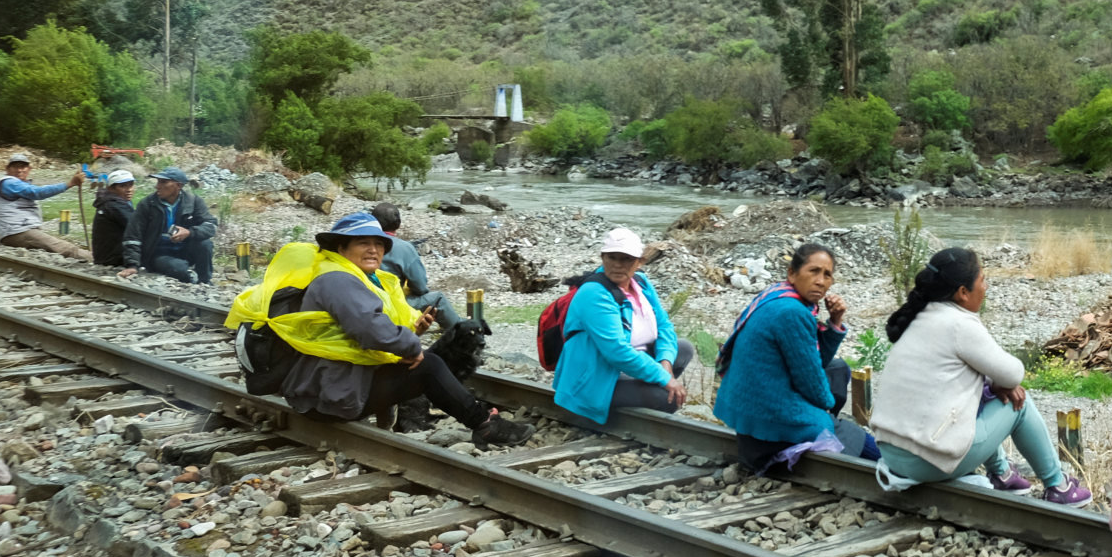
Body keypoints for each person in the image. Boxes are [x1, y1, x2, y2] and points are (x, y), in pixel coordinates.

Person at [225, 211, 530, 446]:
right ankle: (485, 425)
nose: (373, 250)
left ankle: (438, 418)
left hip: (326, 388)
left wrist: (412, 335)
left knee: (415, 359)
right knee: (429, 364)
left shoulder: (345, 276)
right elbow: (372, 331)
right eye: (363, 243)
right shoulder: (338, 280)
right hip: (327, 396)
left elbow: (362, 333)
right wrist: (411, 348)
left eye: (378, 244)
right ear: (341, 247)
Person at [870, 247, 1090, 504]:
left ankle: (1002, 474)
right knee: (1019, 402)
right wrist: (1001, 384)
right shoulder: (959, 324)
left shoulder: (918, 318)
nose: (986, 287)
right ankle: (1059, 486)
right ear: (963, 292)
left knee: (986, 392)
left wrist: (991, 385)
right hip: (927, 463)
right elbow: (1014, 373)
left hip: (891, 454)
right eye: (983, 280)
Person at [712, 242, 877, 474]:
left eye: (827, 275)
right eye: (814, 271)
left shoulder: (776, 295)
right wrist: (826, 414)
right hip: (766, 411)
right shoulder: (792, 312)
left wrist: (835, 323)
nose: (821, 281)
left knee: (838, 368)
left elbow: (815, 360)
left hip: (753, 402)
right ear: (792, 273)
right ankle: (807, 439)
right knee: (857, 439)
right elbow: (811, 382)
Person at [552, 227, 694, 426]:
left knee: (683, 348)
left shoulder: (641, 282)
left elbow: (663, 325)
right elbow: (617, 352)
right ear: (603, 258)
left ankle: (641, 392)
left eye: (626, 259)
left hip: (629, 365)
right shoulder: (594, 293)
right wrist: (665, 379)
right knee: (666, 400)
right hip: (598, 377)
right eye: (612, 257)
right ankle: (595, 408)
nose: (618, 265)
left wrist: (665, 365)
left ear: (639, 262)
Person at [370, 201, 467, 331]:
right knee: (438, 298)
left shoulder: (359, 244)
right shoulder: (404, 248)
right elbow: (420, 286)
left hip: (365, 301)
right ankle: (459, 330)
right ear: (398, 224)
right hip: (391, 305)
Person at [0, 154, 90, 262]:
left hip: (16, 233)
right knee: (64, 247)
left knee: (54, 245)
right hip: (19, 232)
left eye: (22, 167)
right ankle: (95, 259)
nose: (19, 170)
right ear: (7, 169)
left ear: (29, 169)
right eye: (15, 167)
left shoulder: (17, 185)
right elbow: (37, 192)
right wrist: (69, 184)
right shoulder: (9, 182)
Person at [120, 168, 217, 283]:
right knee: (179, 270)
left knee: (205, 244)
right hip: (159, 254)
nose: (157, 186)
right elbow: (133, 236)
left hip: (185, 250)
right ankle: (188, 274)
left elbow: (211, 226)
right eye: (158, 182)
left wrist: (189, 232)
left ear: (178, 185)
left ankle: (205, 281)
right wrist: (132, 265)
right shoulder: (147, 204)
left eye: (163, 182)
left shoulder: (193, 201)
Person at [91, 169, 137, 266]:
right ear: (111, 188)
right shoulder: (114, 205)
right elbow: (137, 227)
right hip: (113, 259)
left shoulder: (114, 201)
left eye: (130, 185)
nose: (129, 189)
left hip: (106, 256)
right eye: (123, 186)